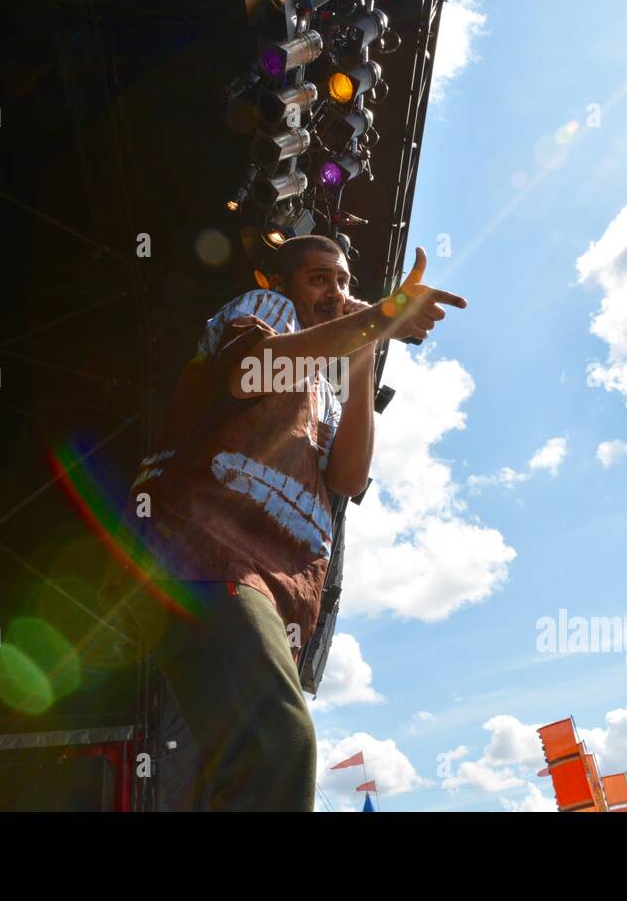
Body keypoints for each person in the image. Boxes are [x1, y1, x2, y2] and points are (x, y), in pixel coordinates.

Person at [99, 235, 465, 810]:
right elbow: (254, 370)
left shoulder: (326, 384)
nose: (336, 292)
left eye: (344, 282)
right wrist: (383, 314)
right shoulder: (267, 310)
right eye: (319, 278)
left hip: (281, 589)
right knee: (279, 748)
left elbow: (346, 478)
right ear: (282, 283)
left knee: (216, 780)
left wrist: (366, 351)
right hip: (209, 556)